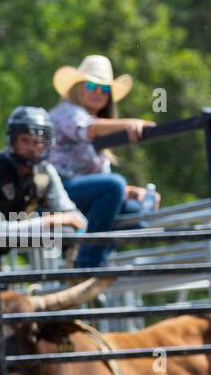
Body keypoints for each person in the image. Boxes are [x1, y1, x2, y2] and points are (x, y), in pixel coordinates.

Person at [48, 55, 159, 269]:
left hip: (80, 195)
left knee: (137, 211)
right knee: (114, 185)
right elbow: (89, 129)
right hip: (56, 192)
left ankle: (82, 252)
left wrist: (133, 191)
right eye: (92, 85)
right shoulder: (67, 112)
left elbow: (100, 183)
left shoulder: (100, 126)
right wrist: (131, 124)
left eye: (105, 89)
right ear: (79, 87)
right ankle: (89, 264)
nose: (99, 92)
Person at [0, 106, 86, 249]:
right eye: (25, 140)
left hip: (4, 250)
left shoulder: (46, 172)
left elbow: (75, 218)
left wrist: (72, 229)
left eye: (38, 142)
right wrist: (48, 222)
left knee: (66, 230)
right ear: (13, 140)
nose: (32, 148)